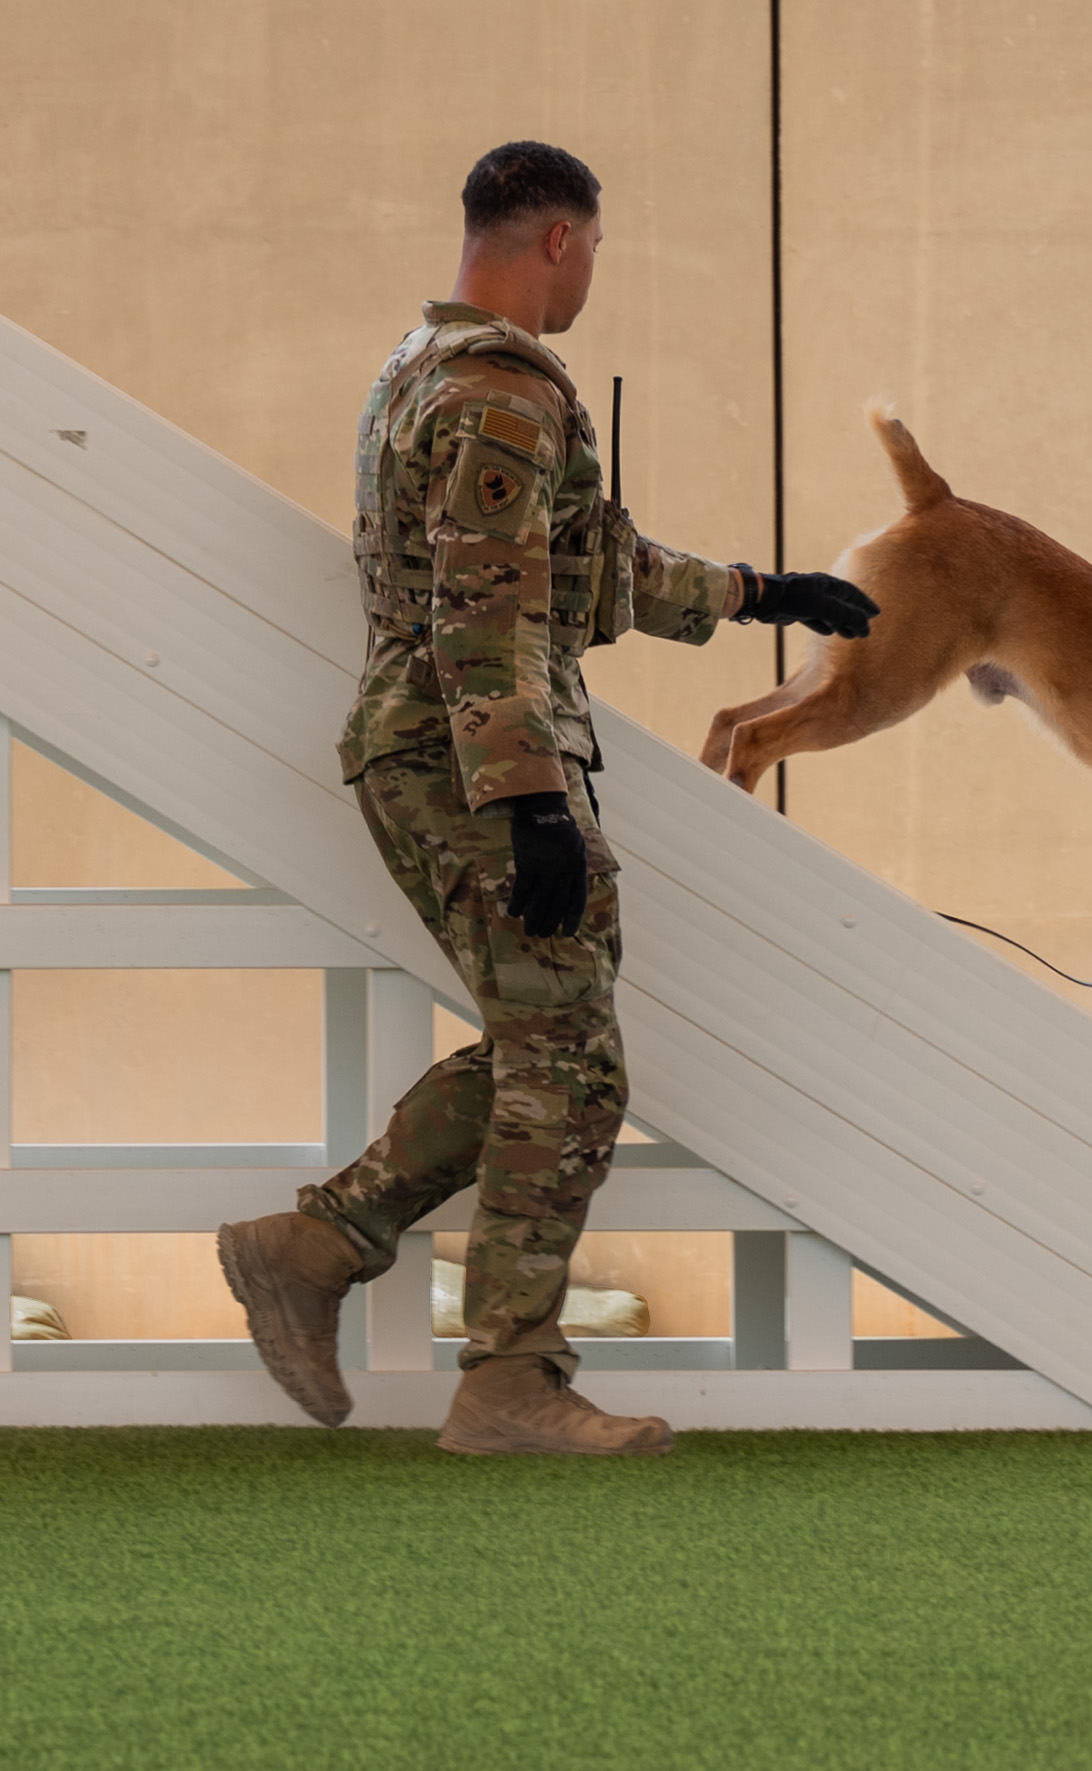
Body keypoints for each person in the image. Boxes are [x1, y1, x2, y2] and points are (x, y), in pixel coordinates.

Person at [216, 141, 875, 1456]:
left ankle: (320, 1245)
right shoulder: (500, 393)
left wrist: (761, 591)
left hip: (445, 745)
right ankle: (503, 1379)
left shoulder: (427, 373)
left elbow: (584, 570)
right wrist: (525, 799)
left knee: (556, 1050)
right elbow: (492, 602)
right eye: (595, 252)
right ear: (559, 240)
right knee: (571, 1062)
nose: (589, 280)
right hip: (471, 755)